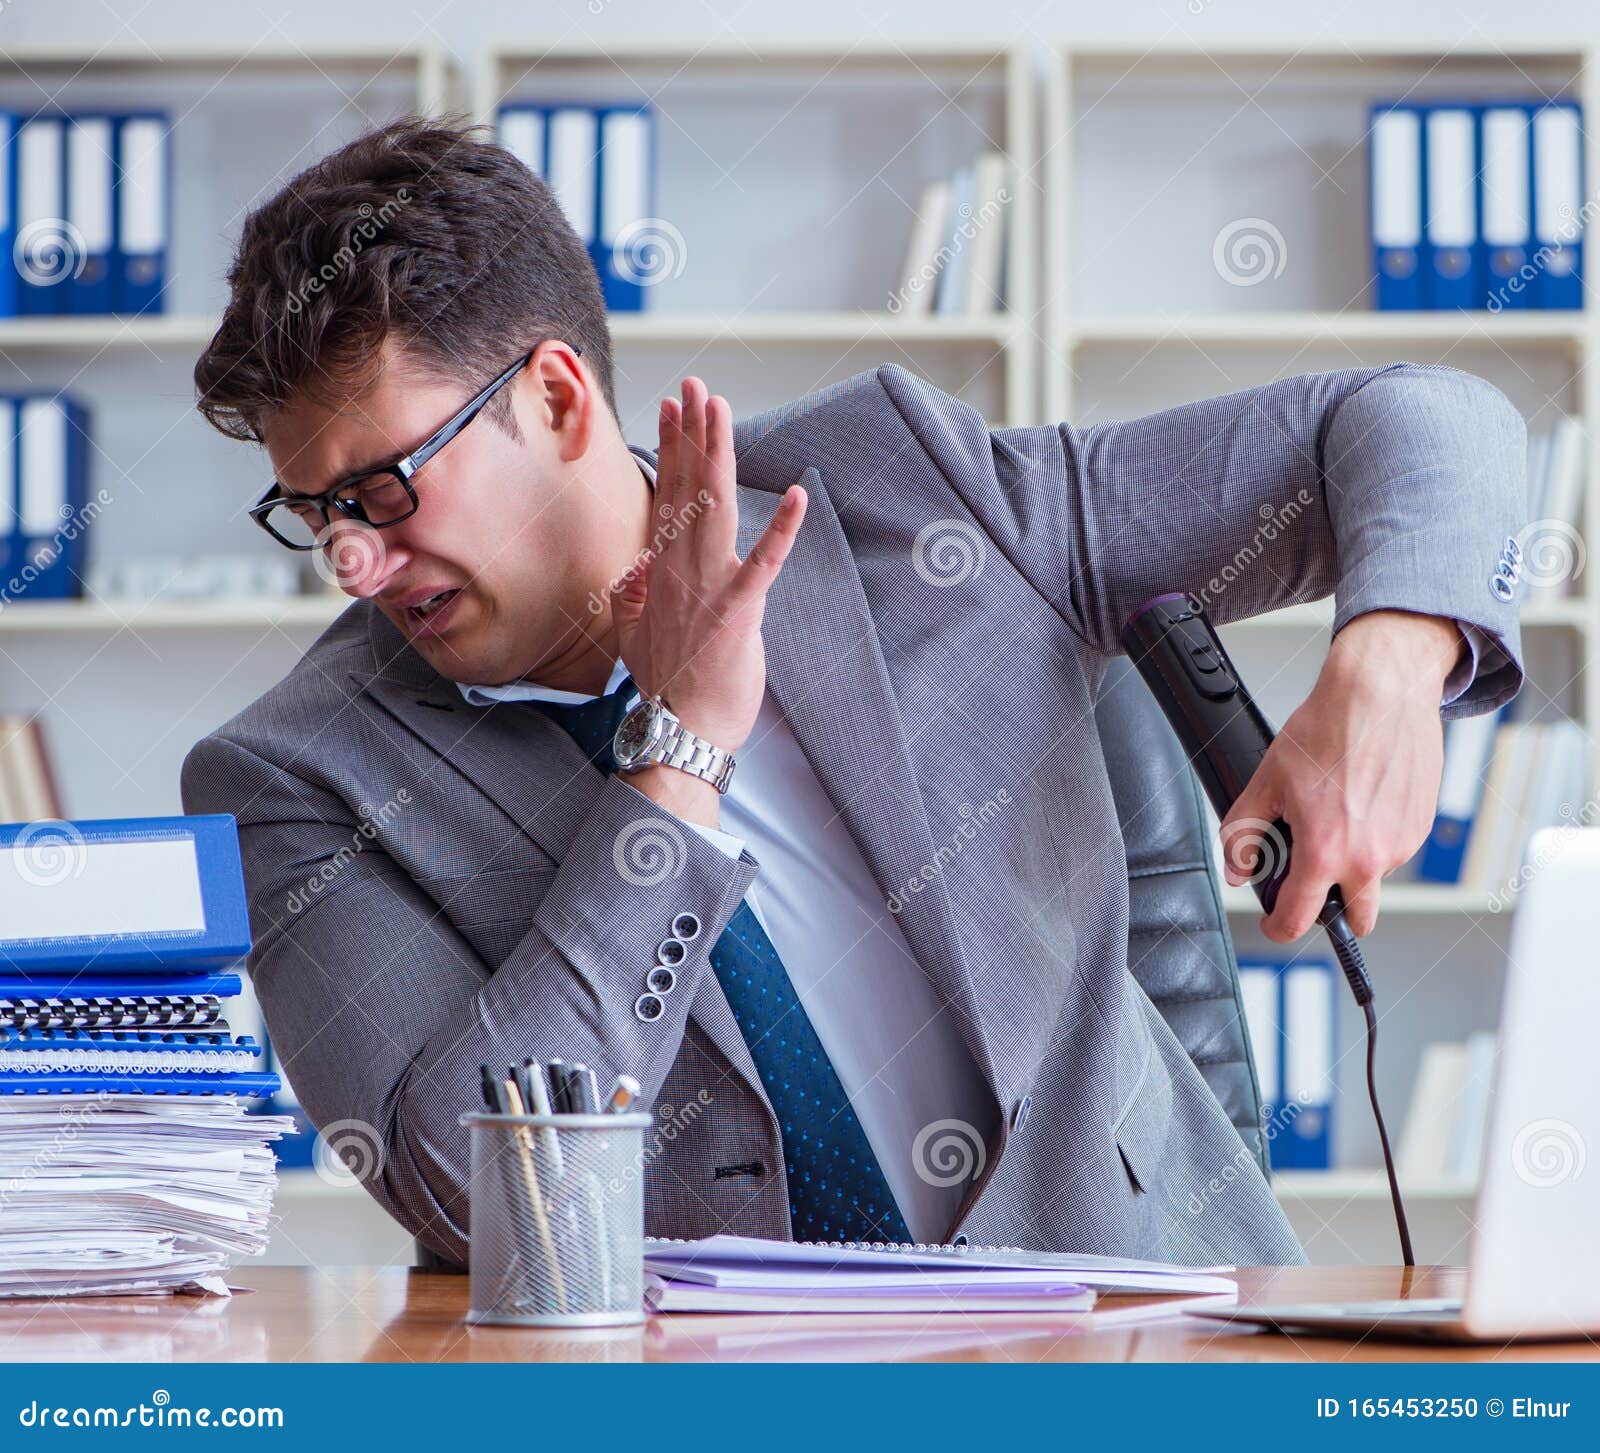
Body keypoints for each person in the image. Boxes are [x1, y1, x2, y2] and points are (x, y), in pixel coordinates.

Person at [182, 118, 1525, 1268]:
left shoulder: (907, 495)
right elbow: (481, 1199)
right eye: (310, 513)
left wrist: (1389, 666)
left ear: (554, 398)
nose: (353, 561)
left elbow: (1428, 421)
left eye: (383, 490)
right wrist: (678, 753)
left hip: (1158, 1334)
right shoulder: (299, 774)